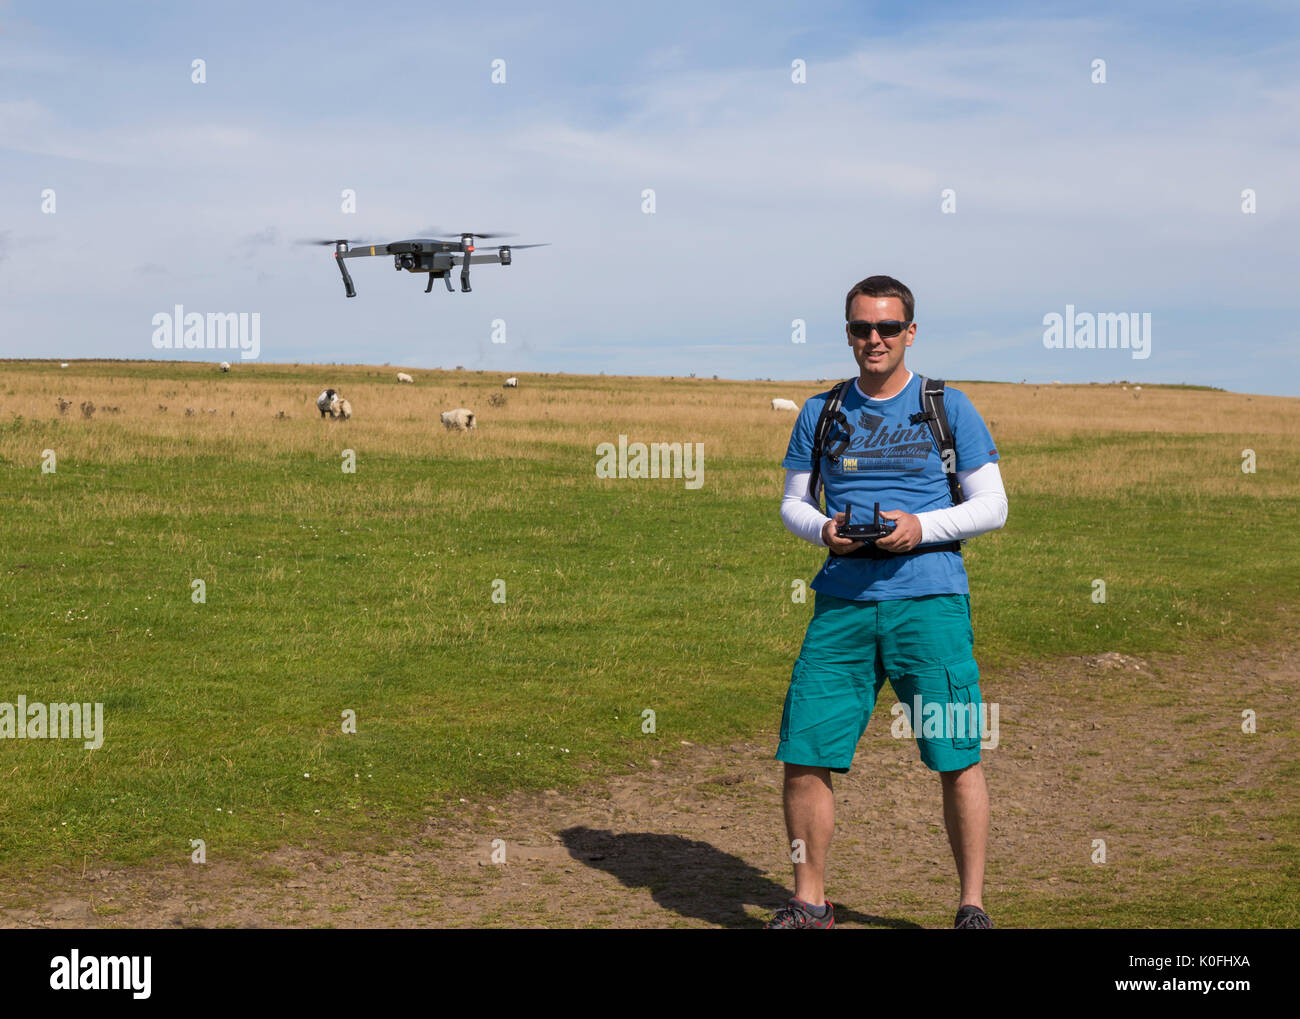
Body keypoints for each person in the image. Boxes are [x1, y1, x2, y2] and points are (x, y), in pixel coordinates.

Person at [765, 275, 1008, 930]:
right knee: (806, 748)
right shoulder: (821, 410)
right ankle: (810, 902)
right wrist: (825, 531)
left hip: (929, 599)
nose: (874, 339)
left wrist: (919, 527)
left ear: (910, 332)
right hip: (842, 600)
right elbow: (793, 501)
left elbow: (994, 505)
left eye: (887, 328)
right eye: (861, 328)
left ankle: (971, 904)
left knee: (957, 751)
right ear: (847, 332)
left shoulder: (945, 405)